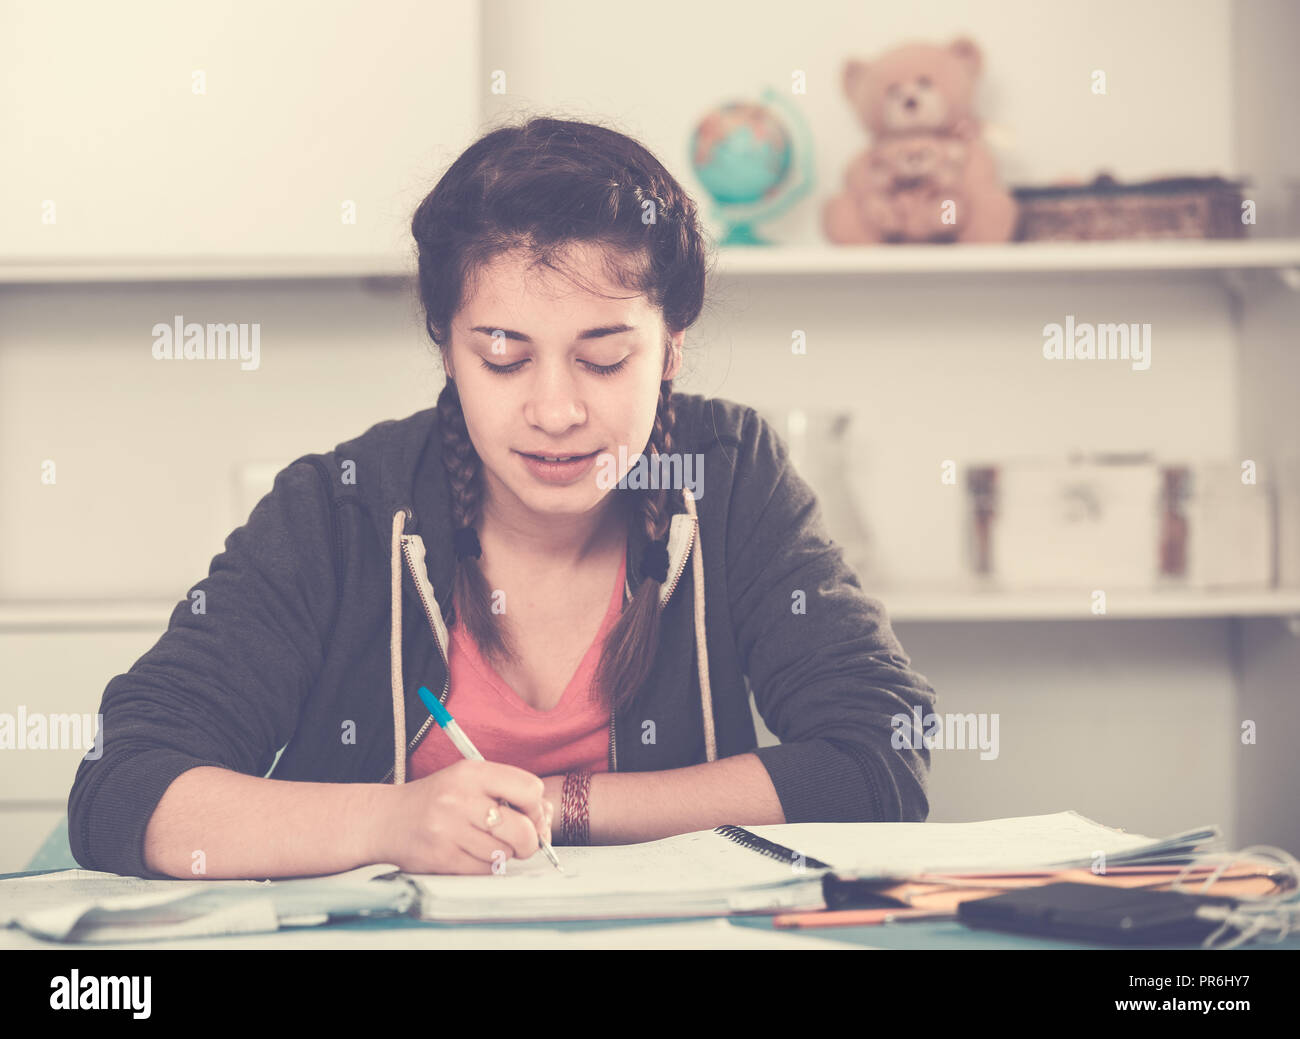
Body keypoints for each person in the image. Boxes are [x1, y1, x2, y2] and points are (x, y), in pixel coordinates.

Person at [67, 117, 937, 880]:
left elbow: (877, 755)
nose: (555, 412)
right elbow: (124, 786)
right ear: (445, 345)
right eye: (503, 356)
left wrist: (556, 805)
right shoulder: (340, 510)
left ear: (672, 346)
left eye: (604, 359)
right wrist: (390, 821)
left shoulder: (728, 473)